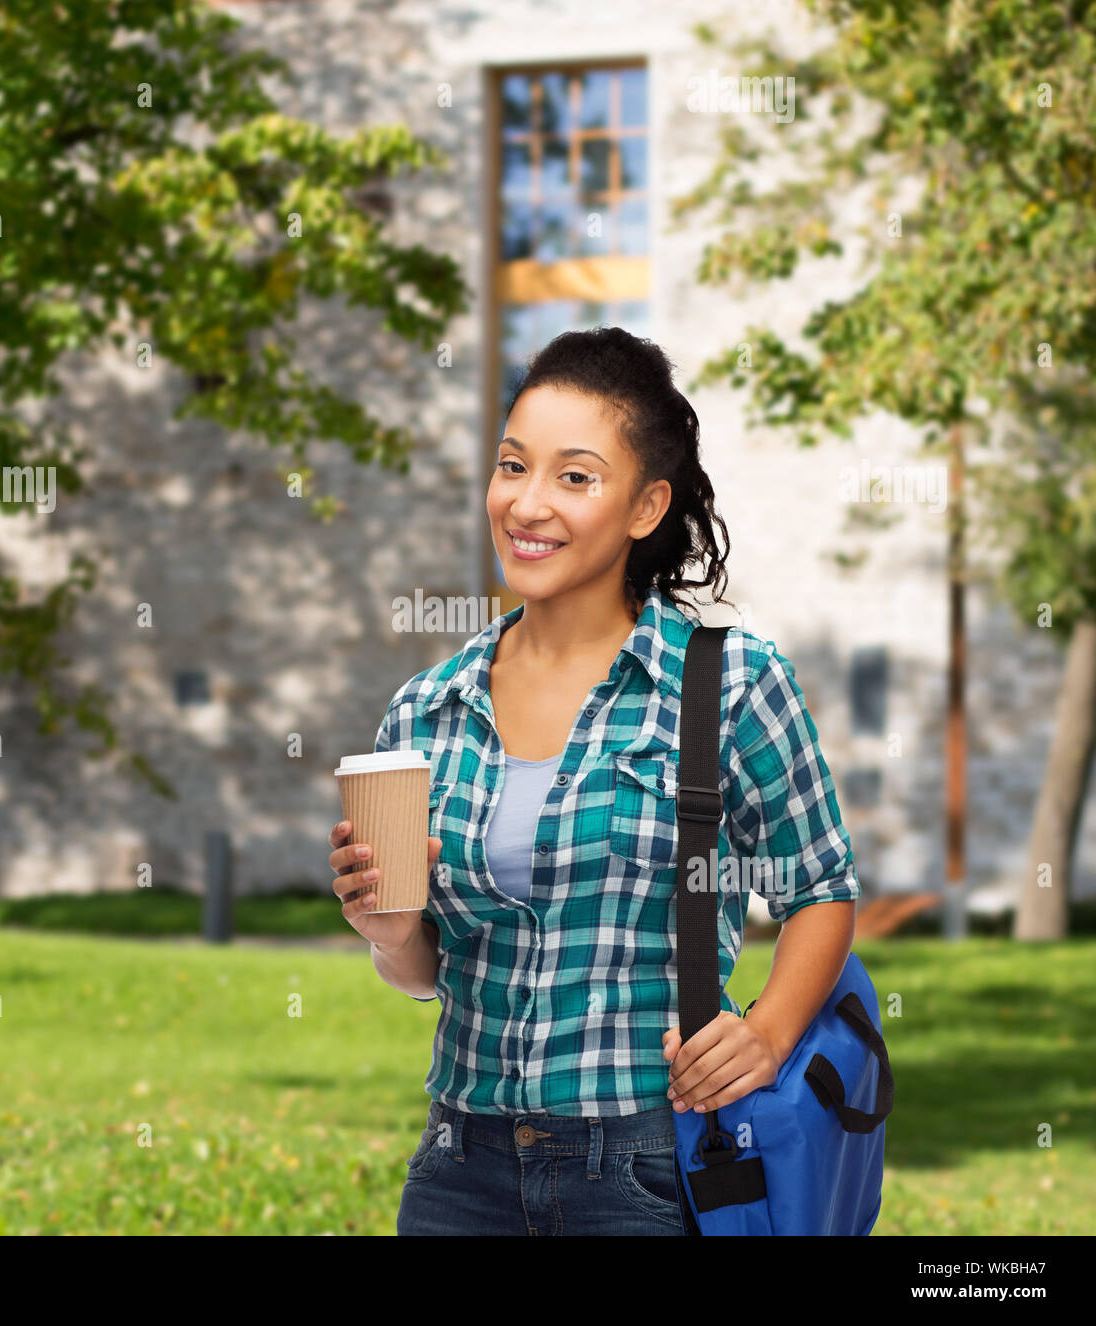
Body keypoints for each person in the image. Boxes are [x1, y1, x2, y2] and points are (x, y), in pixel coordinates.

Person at [328, 326, 860, 1236]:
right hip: (459, 1170)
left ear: (646, 506)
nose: (527, 504)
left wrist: (766, 1035)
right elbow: (427, 972)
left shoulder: (727, 684)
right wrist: (386, 932)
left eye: (575, 477)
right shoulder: (427, 710)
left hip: (648, 1169)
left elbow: (821, 887)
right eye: (511, 466)